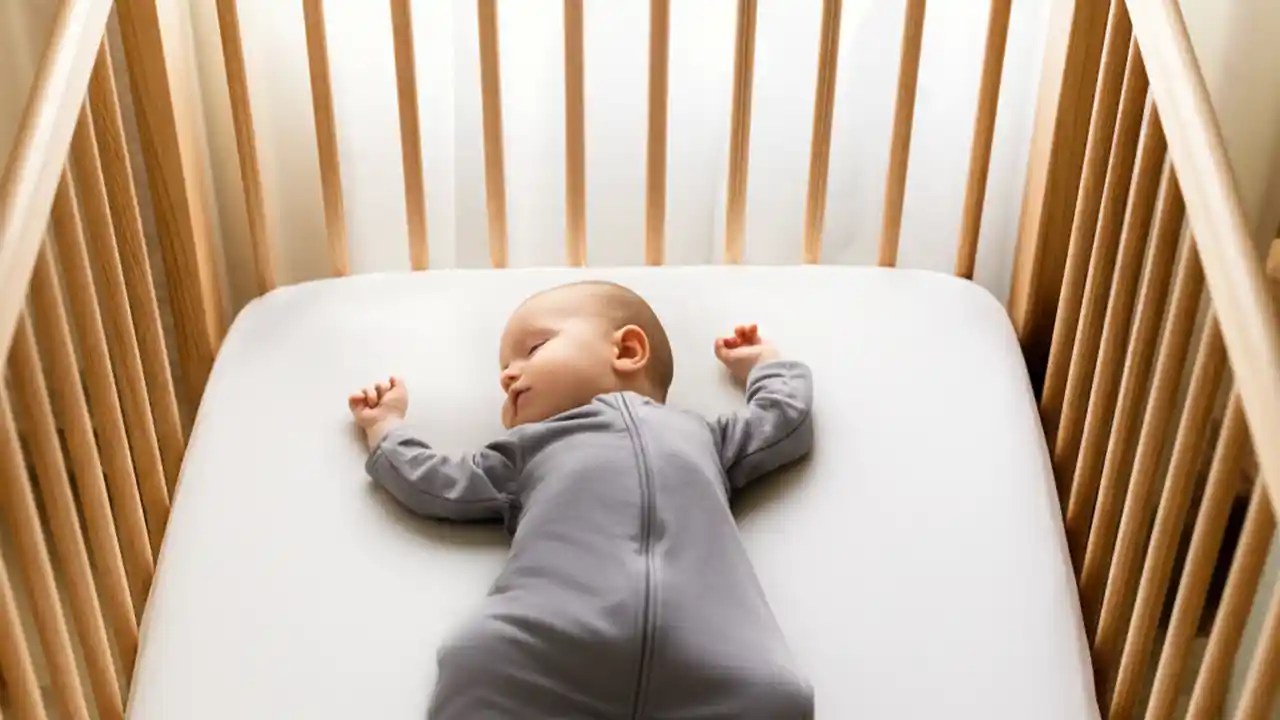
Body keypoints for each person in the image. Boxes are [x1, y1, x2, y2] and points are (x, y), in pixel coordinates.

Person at [348, 281, 814, 719]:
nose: (509, 376)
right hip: (548, 637)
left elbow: (783, 422)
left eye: (532, 350)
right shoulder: (522, 451)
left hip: (716, 648)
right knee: (477, 658)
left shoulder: (705, 436)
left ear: (627, 350)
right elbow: (438, 483)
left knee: (776, 692)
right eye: (503, 373)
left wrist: (764, 364)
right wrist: (386, 428)